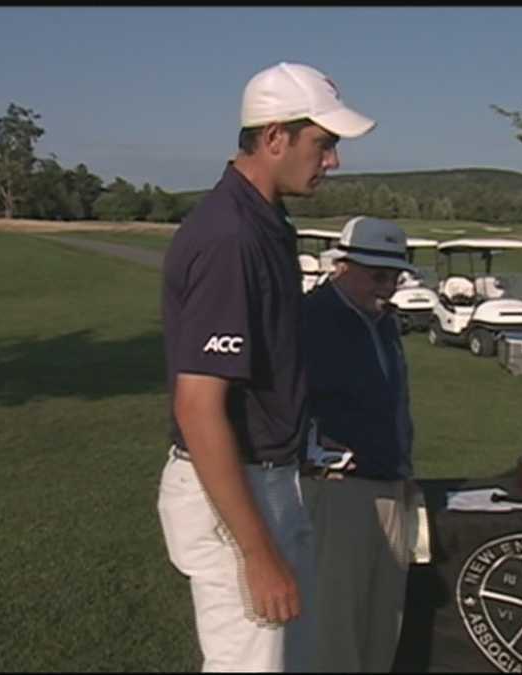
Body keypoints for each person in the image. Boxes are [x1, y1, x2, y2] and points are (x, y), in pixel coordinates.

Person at [157, 62, 375, 672]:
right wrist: (257, 552)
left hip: (269, 477)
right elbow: (197, 407)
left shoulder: (265, 222)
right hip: (237, 490)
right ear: (275, 136)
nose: (333, 161)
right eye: (323, 144)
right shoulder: (231, 237)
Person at [299, 215, 419, 672]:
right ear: (342, 267)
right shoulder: (310, 318)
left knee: (383, 618)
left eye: (395, 277)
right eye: (377, 276)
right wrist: (308, 446)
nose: (387, 287)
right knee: (336, 623)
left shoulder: (384, 322)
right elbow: (274, 399)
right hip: (336, 490)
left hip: (390, 481)